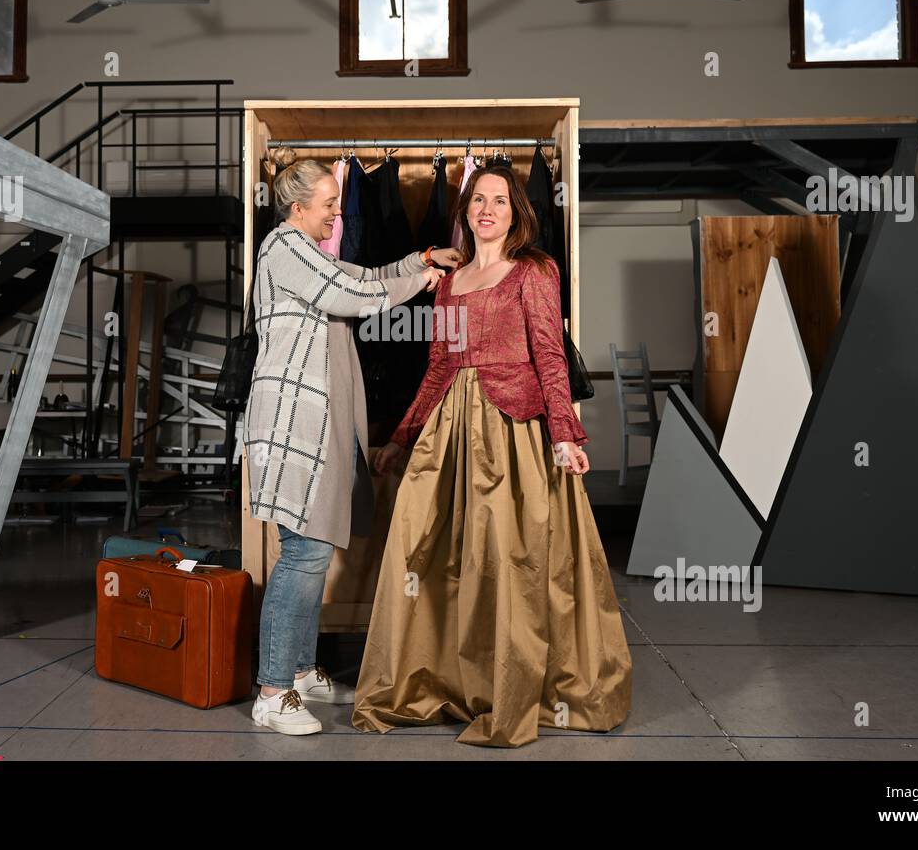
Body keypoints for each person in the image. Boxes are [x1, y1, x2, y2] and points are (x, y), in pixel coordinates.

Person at [352, 165, 632, 747]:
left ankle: (519, 689)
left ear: (517, 212)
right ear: (465, 211)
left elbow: (550, 356)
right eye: (478, 200)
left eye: (499, 201)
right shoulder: (451, 282)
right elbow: (439, 367)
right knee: (443, 558)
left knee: (515, 564)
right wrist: (401, 438)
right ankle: (461, 680)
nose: (486, 210)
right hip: (453, 434)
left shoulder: (534, 270)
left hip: (515, 433)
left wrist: (565, 435)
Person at [245, 158, 461, 736]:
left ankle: (299, 668)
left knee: (313, 551)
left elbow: (361, 277)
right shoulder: (281, 247)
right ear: (297, 208)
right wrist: (420, 281)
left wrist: (420, 260)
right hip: (293, 423)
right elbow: (353, 297)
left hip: (321, 424)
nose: (336, 214)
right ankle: (272, 692)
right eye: (328, 205)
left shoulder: (308, 251)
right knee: (303, 554)